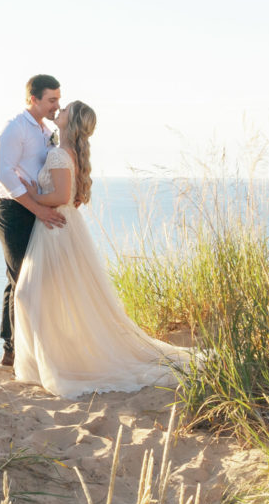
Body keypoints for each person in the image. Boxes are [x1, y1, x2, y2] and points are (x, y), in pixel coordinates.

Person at [11, 101, 198, 396]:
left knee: (27, 294)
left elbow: (60, 196)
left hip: (56, 231)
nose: (59, 110)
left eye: (65, 110)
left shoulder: (60, 154)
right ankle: (50, 362)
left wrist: (32, 193)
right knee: (50, 297)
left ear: (70, 122)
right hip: (62, 229)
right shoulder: (66, 152)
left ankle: (52, 365)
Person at [0, 74, 67, 368]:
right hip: (14, 211)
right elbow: (5, 174)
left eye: (58, 99)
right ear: (33, 99)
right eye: (51, 100)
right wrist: (37, 208)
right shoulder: (14, 127)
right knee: (20, 281)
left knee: (22, 281)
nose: (56, 105)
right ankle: (14, 351)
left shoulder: (46, 130)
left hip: (37, 208)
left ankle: (16, 348)